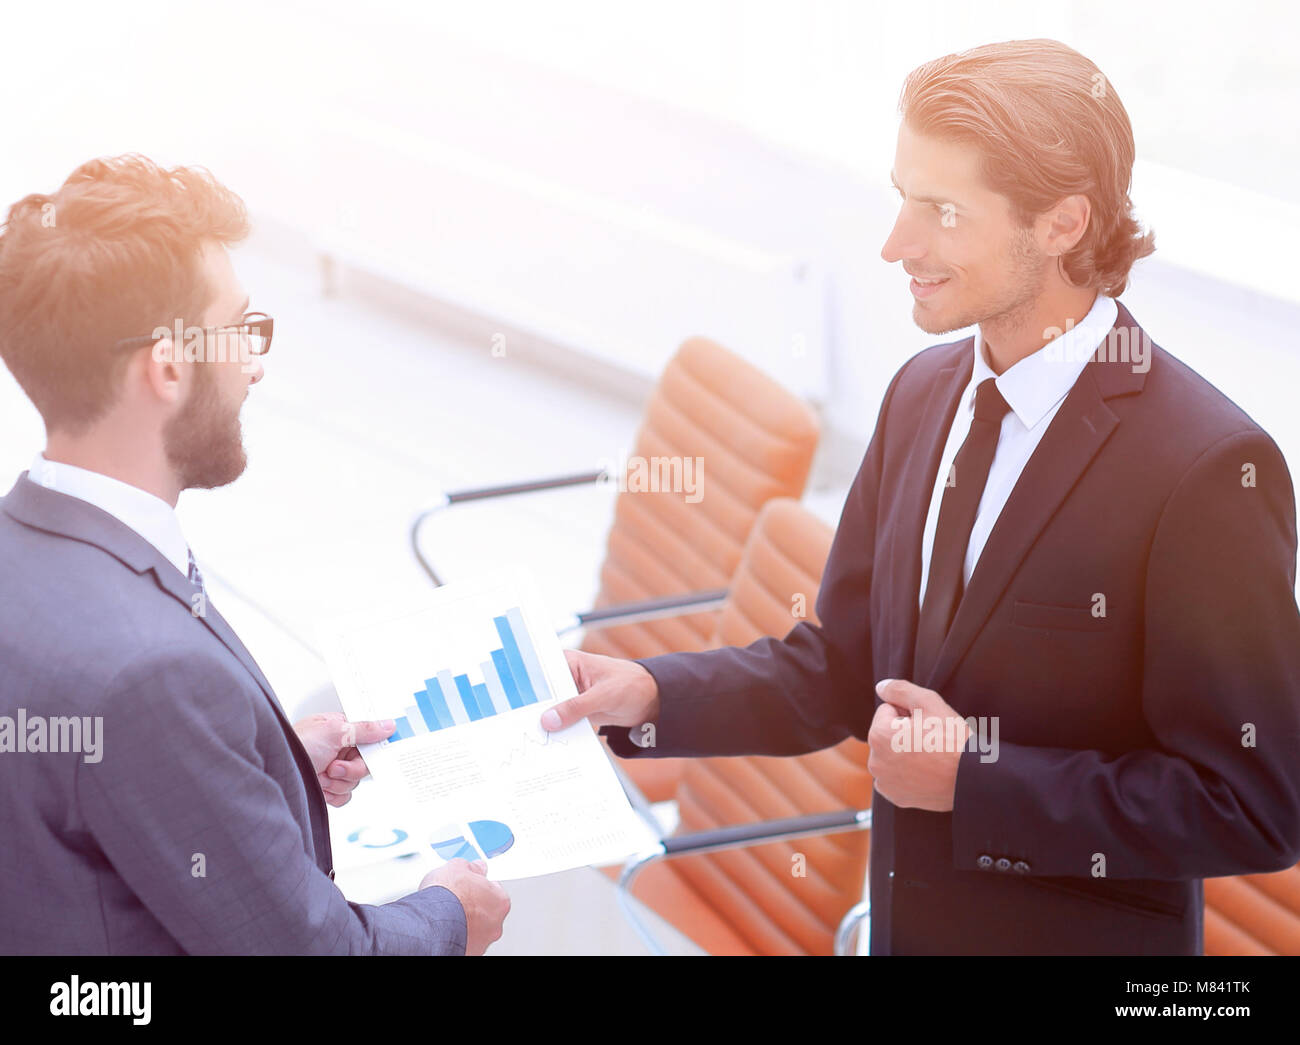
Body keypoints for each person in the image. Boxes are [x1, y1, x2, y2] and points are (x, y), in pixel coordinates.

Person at [543, 39, 1300, 955]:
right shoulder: (921, 394)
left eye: (940, 211)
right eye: (902, 197)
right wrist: (651, 691)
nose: (896, 244)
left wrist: (974, 780)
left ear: (1062, 224)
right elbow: (841, 666)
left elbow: (1253, 804)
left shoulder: (1206, 468)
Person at [0, 155, 509, 955]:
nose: (256, 363)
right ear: (166, 367)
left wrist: (260, 763)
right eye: (239, 330)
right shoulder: (150, 675)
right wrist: (449, 914)